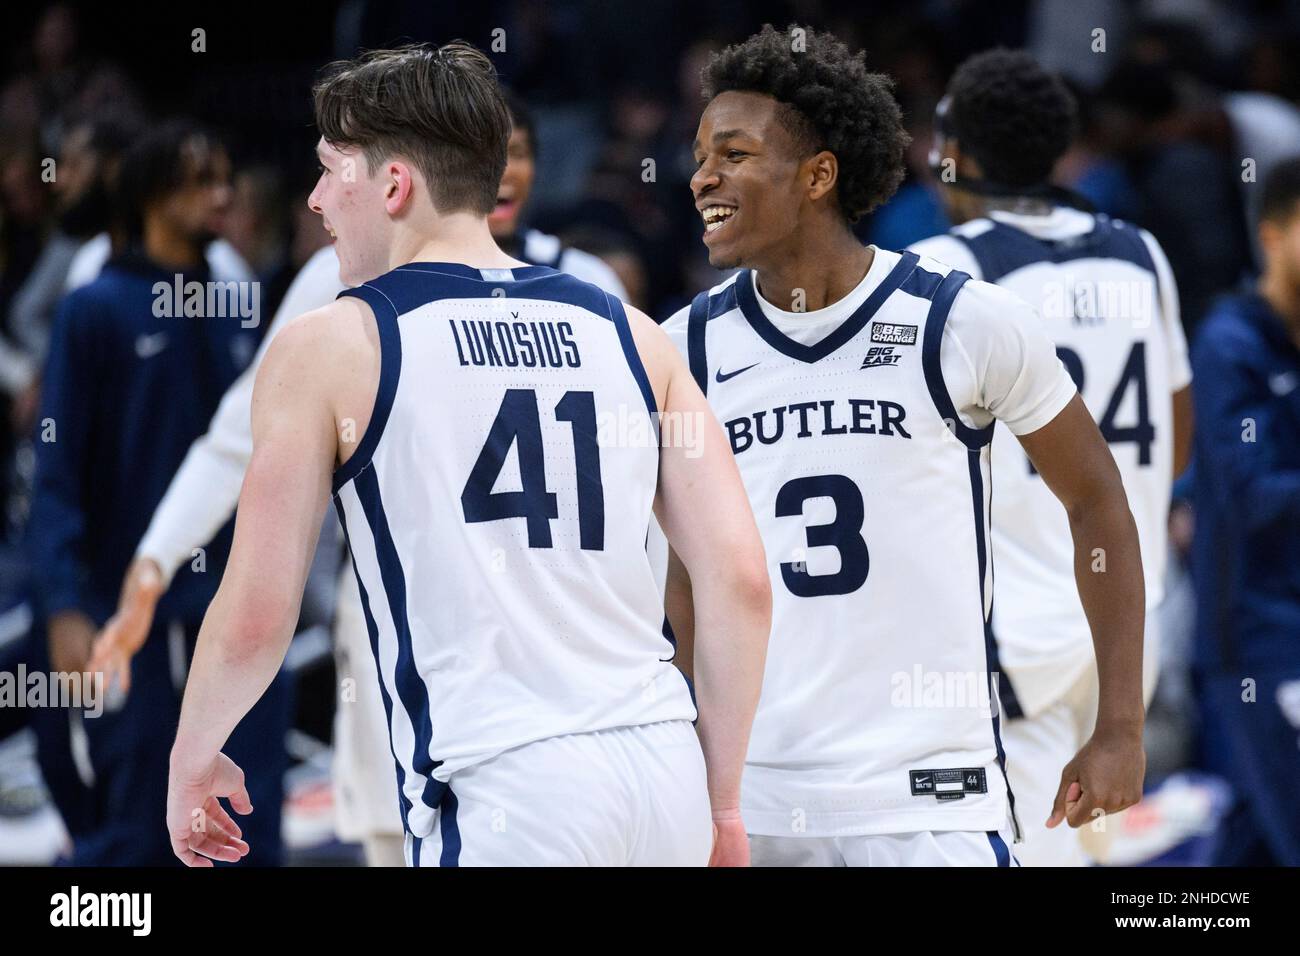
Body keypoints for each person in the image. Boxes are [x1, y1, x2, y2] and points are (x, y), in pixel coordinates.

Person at [163, 42, 770, 868]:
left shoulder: (335, 343)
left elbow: (259, 611)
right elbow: (739, 580)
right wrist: (724, 803)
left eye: (330, 169)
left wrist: (191, 757)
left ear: (393, 185)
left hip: (507, 791)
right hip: (662, 772)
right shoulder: (633, 333)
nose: (313, 199)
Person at [91, 91, 632, 868]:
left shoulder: (591, 286)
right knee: (398, 832)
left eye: (520, 151)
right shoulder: (344, 277)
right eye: (496, 150)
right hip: (406, 618)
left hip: (561, 621)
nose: (507, 168)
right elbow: (235, 438)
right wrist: (155, 564)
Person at [662, 24, 1146, 866]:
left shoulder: (961, 321)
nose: (703, 176)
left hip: (931, 800)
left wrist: (1120, 727)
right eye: (701, 154)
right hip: (756, 802)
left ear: (819, 175)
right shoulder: (681, 351)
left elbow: (1098, 501)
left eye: (733, 154)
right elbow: (679, 574)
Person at [908, 49, 1193, 866]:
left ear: (954, 154)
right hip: (1127, 625)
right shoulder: (1140, 252)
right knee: (1098, 853)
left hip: (1014, 631)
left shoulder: (948, 270)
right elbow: (1178, 433)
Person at [27, 120, 287, 865]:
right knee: (135, 829)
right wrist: (66, 604)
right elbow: (57, 472)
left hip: (242, 618)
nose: (222, 194)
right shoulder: (95, 306)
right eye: (200, 179)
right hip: (125, 617)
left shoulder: (243, 301)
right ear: (149, 193)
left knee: (249, 830)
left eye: (225, 177)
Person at [1191, 156, 1300, 867]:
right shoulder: (1231, 343)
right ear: (1271, 233)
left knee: (1252, 843)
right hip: (1260, 640)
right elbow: (1252, 496)